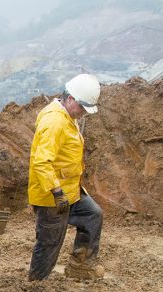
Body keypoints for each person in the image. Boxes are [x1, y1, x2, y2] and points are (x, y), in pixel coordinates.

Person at [27, 74, 104, 280]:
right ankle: (36, 284)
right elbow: (41, 162)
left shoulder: (68, 117)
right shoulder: (55, 122)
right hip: (52, 195)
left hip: (70, 191)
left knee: (92, 215)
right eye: (82, 108)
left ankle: (80, 266)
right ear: (70, 99)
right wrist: (57, 192)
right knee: (50, 241)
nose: (83, 113)